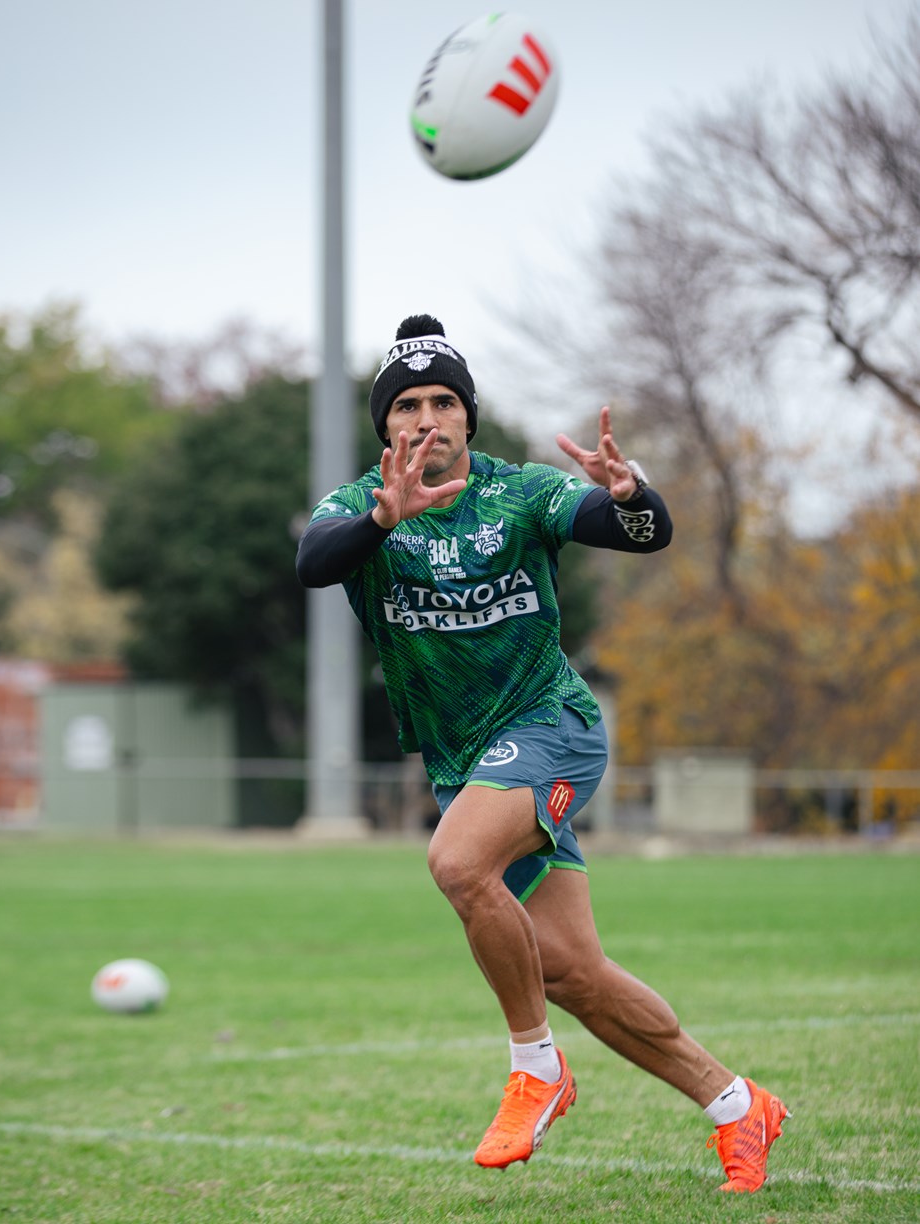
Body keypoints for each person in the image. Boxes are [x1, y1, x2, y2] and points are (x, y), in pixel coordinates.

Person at [295, 314, 789, 1193]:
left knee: (456, 864)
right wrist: (381, 516)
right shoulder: (358, 506)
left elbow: (639, 530)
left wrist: (632, 495)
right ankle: (735, 1103)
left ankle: (536, 1068)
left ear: (467, 416)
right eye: (406, 405)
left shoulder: (518, 493)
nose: (426, 418)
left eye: (443, 401)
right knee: (569, 971)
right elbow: (314, 561)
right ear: (385, 425)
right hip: (466, 764)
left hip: (550, 727)